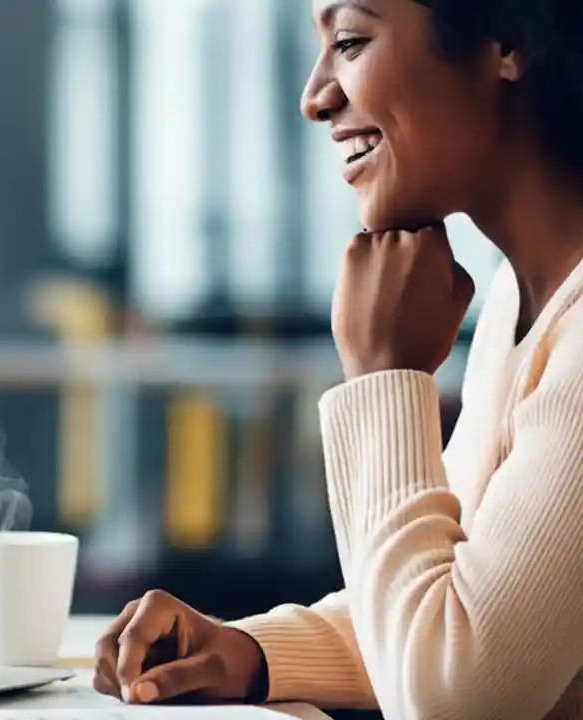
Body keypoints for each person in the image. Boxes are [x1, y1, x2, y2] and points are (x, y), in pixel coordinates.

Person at [93, 1, 583, 718]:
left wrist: (388, 374)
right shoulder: (519, 298)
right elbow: (458, 611)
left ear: (506, 40)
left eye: (350, 41)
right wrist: (249, 652)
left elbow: (458, 696)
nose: (315, 95)